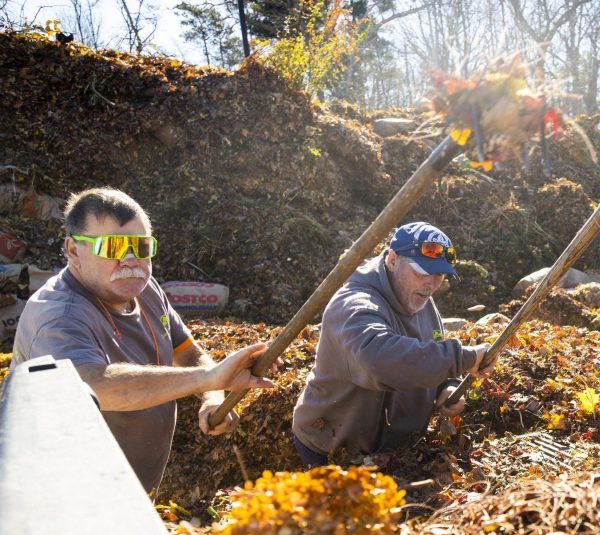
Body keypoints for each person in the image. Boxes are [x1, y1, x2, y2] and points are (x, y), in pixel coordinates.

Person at [12, 187, 274, 495]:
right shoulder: (59, 315)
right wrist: (209, 377)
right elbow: (93, 387)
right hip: (63, 495)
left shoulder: (144, 289)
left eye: (141, 246)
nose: (130, 260)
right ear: (73, 250)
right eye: (113, 247)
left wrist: (212, 396)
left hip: (130, 489)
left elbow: (187, 352)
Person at [292, 222, 492, 466]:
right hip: (334, 447)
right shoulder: (354, 304)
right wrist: (463, 358)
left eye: (439, 275)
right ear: (393, 258)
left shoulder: (421, 298)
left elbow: (433, 348)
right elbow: (380, 360)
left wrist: (447, 387)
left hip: (392, 451)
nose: (430, 284)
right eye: (422, 272)